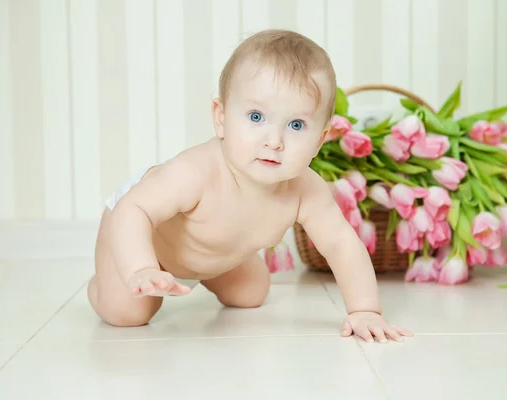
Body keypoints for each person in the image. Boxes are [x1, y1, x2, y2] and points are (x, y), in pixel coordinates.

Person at [87, 29, 412, 344]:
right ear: (221, 117)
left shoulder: (306, 190)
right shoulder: (194, 172)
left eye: (296, 125)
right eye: (256, 117)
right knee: (127, 312)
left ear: (320, 140)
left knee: (251, 293)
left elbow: (342, 244)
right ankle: (103, 283)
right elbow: (135, 210)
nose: (274, 141)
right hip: (138, 230)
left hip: (211, 252)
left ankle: (213, 267)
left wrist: (365, 309)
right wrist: (141, 267)